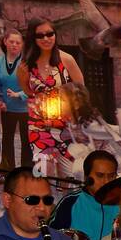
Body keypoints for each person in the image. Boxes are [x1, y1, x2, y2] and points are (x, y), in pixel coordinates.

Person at [19, 19, 85, 184]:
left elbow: (81, 89)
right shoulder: (27, 64)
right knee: (43, 175)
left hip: (66, 127)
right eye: (40, 35)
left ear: (55, 35)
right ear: (33, 39)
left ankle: (64, 208)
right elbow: (28, 92)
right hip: (38, 127)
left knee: (67, 177)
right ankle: (46, 207)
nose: (46, 38)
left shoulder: (66, 59)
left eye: (50, 34)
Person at [48, 150, 120, 240]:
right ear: (86, 177)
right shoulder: (70, 202)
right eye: (100, 175)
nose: (106, 182)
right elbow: (52, 239)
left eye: (111, 176)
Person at [0, 29, 30, 168]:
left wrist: (19, 94)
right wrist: (0, 102)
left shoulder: (26, 62)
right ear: (5, 42)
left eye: (18, 42)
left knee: (26, 141)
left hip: (26, 108)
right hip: (7, 108)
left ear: (22, 45)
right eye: (11, 42)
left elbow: (34, 85)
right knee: (7, 140)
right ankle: (8, 171)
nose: (14, 45)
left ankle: (26, 170)